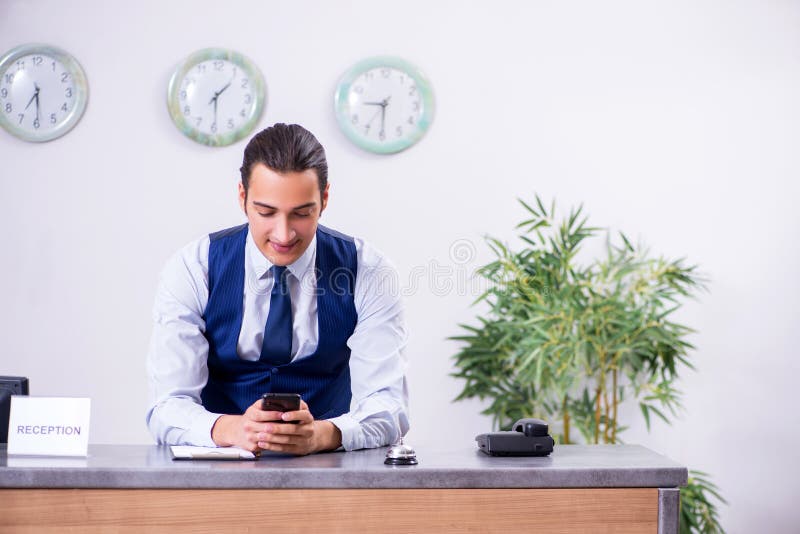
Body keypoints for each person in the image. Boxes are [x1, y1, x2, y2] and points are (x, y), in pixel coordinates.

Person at [146, 123, 408, 455]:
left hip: (331, 473)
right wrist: (232, 428)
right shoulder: (194, 268)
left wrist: (323, 435)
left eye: (302, 213)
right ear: (242, 197)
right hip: (216, 472)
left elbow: (388, 404)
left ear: (324, 199)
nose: (283, 235)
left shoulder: (369, 271)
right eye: (266, 212)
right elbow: (167, 404)